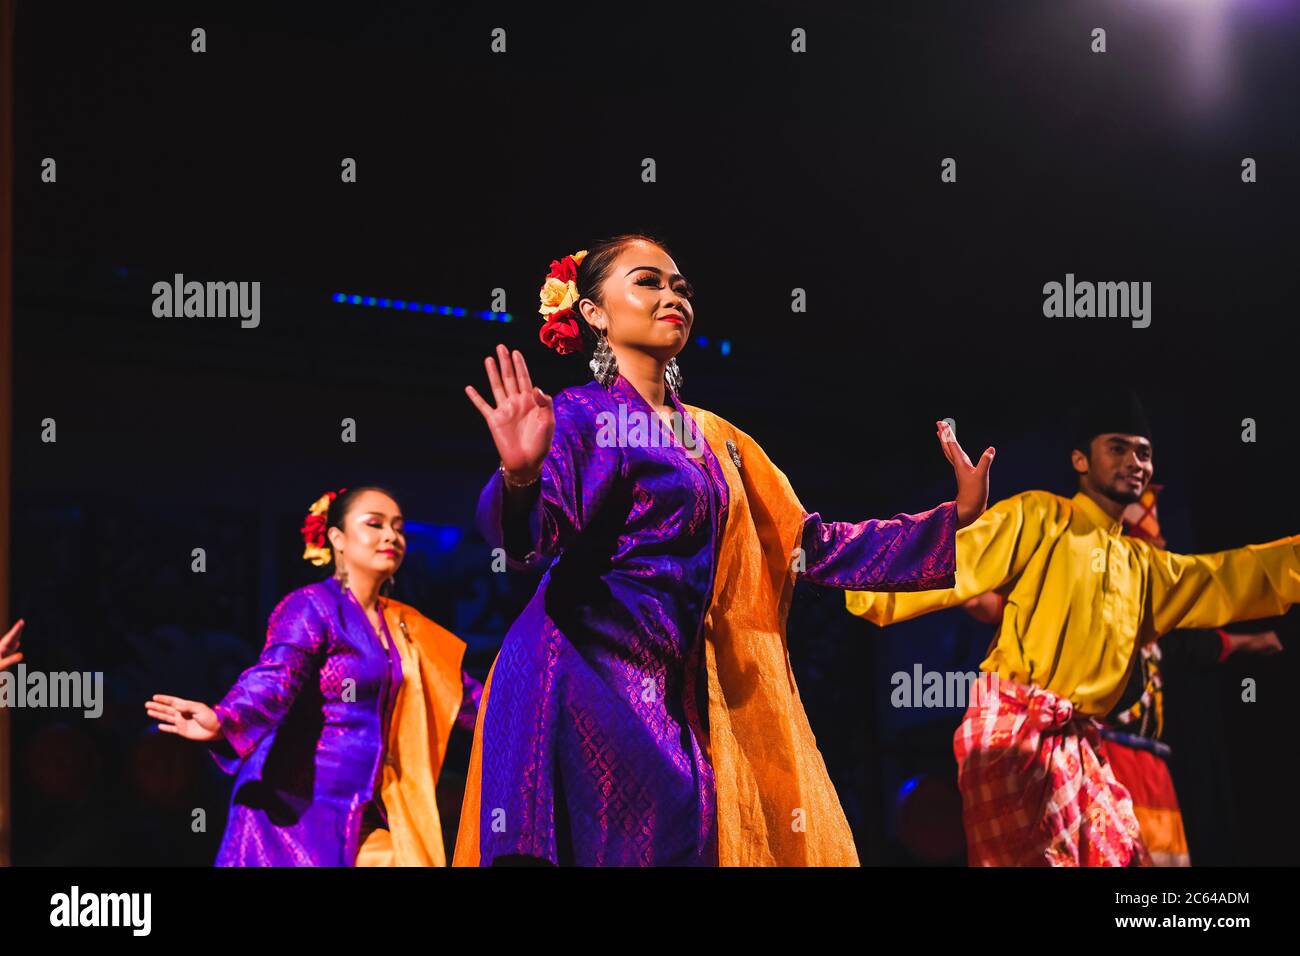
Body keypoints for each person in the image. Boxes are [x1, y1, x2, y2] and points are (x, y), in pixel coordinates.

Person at [455, 233, 994, 866]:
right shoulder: (584, 413)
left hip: (670, 685)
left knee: (699, 826)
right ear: (594, 312)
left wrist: (950, 518)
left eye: (679, 286)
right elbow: (531, 537)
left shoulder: (717, 438)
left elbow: (808, 546)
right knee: (668, 828)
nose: (672, 296)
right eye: (648, 282)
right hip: (582, 672)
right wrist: (520, 477)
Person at [846, 393, 1300, 866]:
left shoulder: (1144, 566)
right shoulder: (1041, 516)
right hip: (1013, 733)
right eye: (1118, 448)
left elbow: (1230, 576)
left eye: (1144, 453)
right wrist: (856, 571)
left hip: (1080, 744)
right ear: (1081, 459)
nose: (1135, 462)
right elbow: (958, 561)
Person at [146, 486, 480, 865]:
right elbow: (275, 679)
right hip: (294, 813)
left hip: (368, 811)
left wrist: (533, 708)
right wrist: (225, 719)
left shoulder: (405, 626)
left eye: (398, 528)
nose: (391, 536)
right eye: (375, 524)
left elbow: (463, 694)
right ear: (336, 538)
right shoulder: (313, 606)